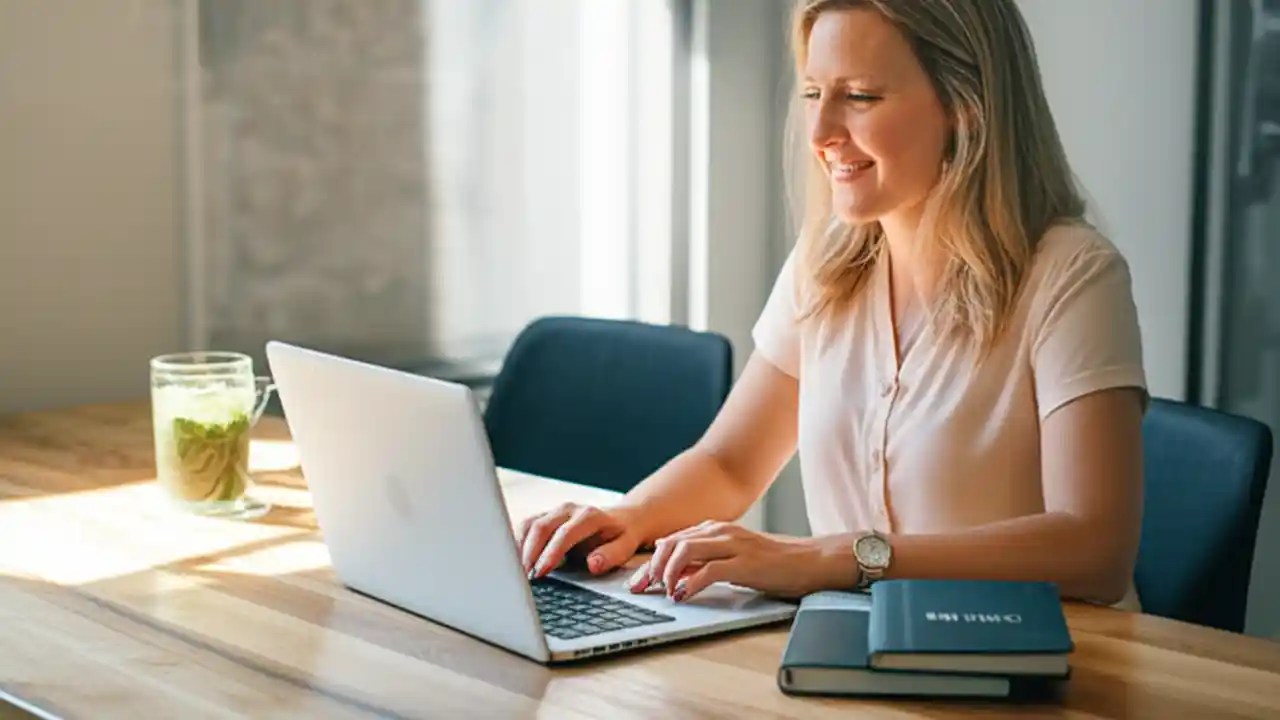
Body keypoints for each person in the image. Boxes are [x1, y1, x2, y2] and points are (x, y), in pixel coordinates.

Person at [517, 0, 1147, 610]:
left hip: (1049, 672)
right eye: (814, 94)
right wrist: (627, 518)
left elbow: (1093, 549)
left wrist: (839, 558)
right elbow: (731, 462)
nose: (821, 135)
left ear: (966, 106)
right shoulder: (827, 266)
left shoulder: (1073, 277)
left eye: (862, 97)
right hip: (861, 653)